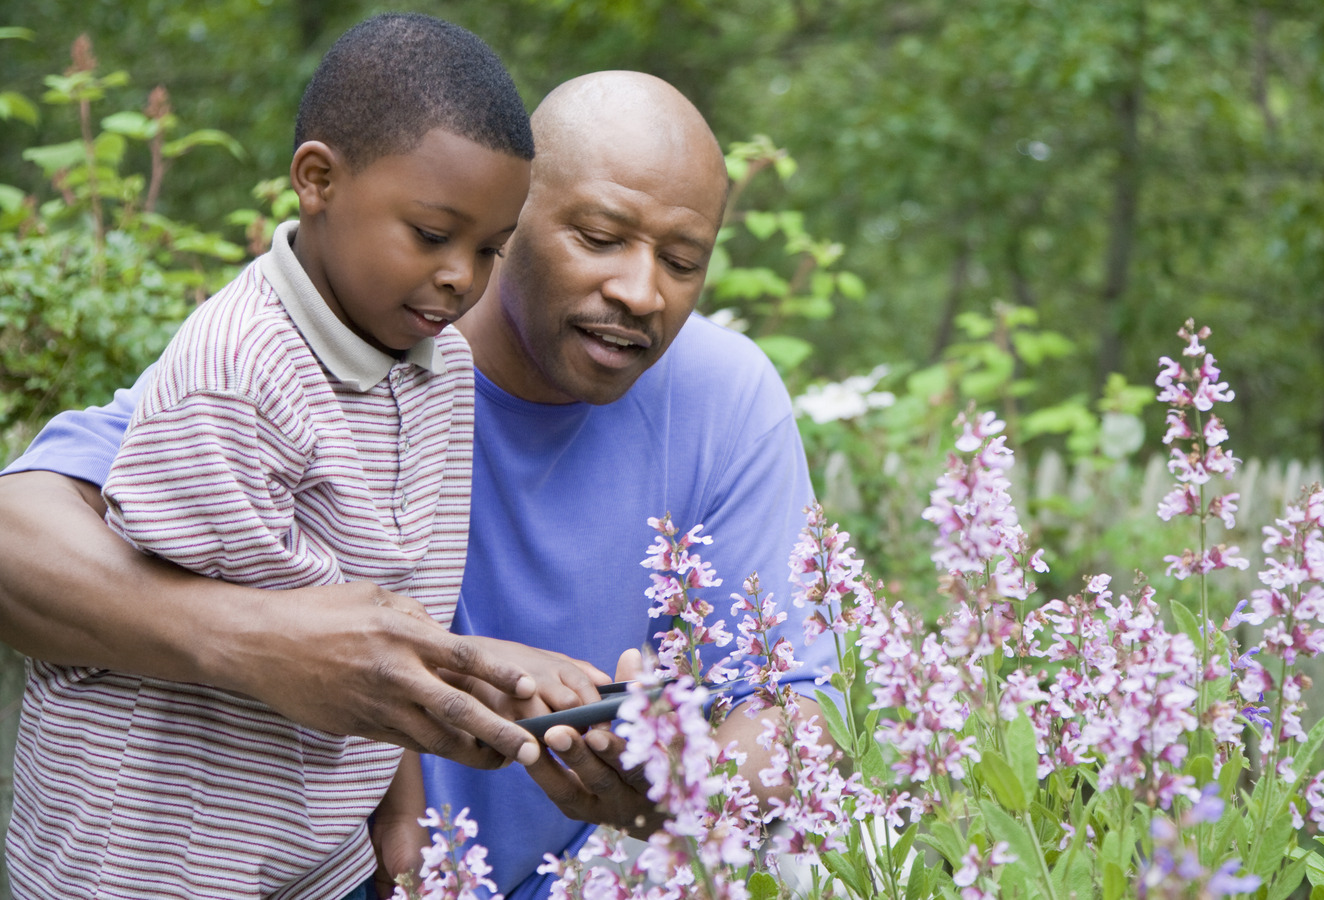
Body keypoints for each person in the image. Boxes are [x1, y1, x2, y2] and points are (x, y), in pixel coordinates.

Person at [0, 69, 836, 900]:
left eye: (682, 261)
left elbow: (799, 707)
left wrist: (686, 781)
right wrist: (274, 641)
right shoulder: (363, 343)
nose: (640, 290)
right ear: (516, 221)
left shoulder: (725, 396)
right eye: (599, 236)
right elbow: (17, 531)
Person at [3, 13, 534, 900]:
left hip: (308, 858)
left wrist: (399, 814)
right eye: (432, 235)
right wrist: (508, 675)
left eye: (488, 250)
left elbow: (388, 619)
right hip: (149, 861)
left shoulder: (443, 373)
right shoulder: (239, 375)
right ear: (318, 180)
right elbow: (303, 646)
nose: (462, 278)